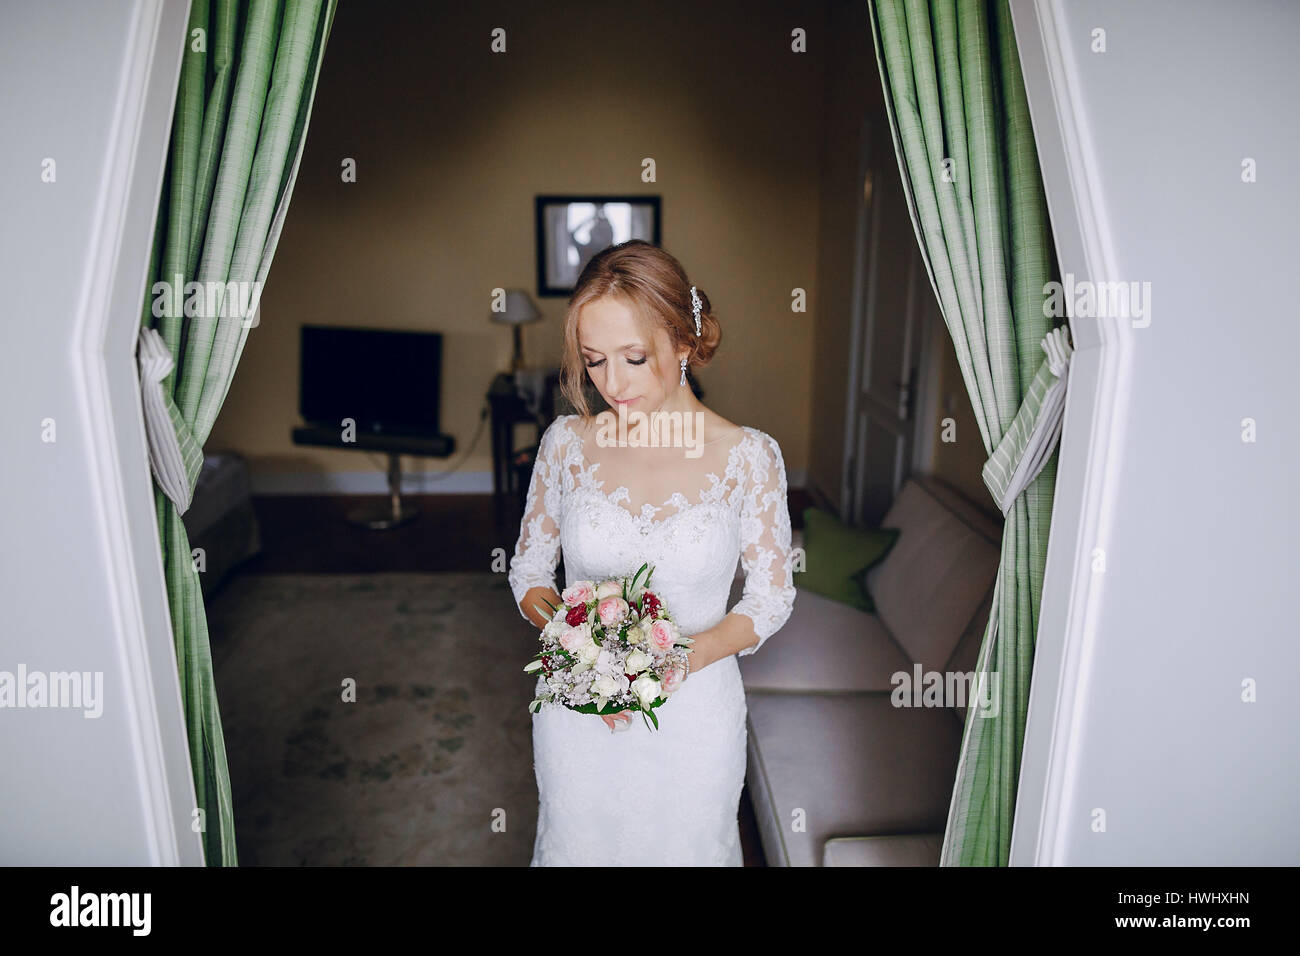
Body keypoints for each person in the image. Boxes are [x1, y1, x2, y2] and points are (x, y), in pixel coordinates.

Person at [507, 239, 797, 866]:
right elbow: (530, 569)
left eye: (634, 358)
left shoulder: (749, 457)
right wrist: (578, 645)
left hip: (693, 725)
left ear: (684, 344)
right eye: (594, 361)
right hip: (581, 716)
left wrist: (671, 663)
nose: (612, 384)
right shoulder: (565, 444)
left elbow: (771, 598)